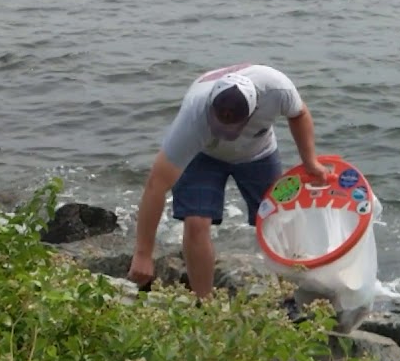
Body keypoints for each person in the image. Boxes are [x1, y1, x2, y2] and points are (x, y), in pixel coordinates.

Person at [126, 63, 327, 300]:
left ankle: (291, 298)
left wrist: (310, 161)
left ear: (255, 110)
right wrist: (143, 254)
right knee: (196, 222)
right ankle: (204, 304)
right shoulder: (193, 119)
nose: (223, 132)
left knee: (280, 220)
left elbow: (299, 114)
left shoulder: (277, 89)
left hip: (258, 153)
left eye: (231, 128)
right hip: (203, 156)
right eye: (219, 125)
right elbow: (156, 186)